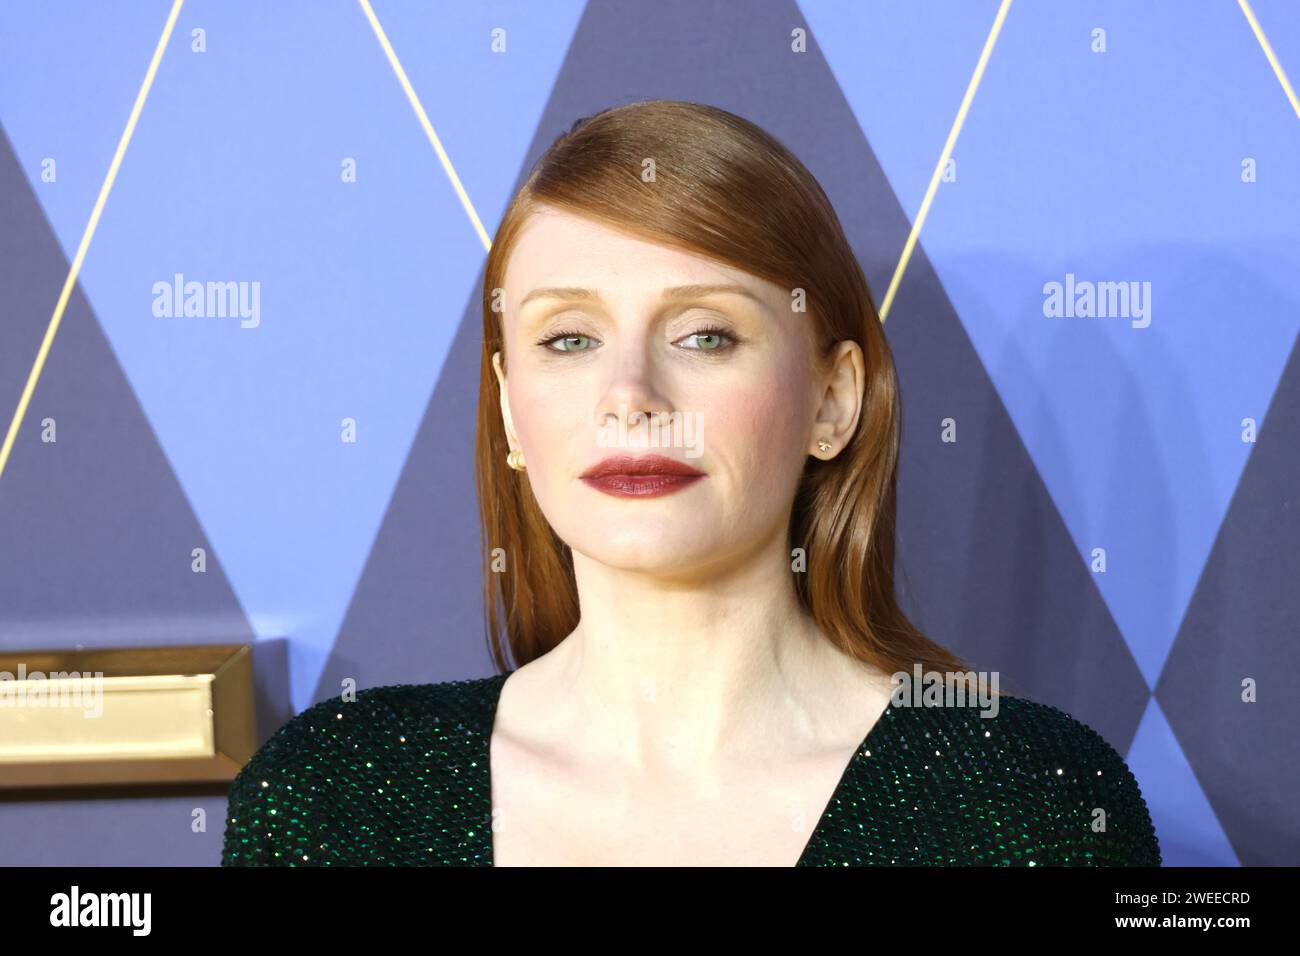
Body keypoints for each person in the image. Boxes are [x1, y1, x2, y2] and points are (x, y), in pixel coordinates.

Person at [222, 100, 1161, 867]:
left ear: (834, 401)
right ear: (511, 412)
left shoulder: (1027, 806)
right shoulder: (334, 800)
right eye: (569, 339)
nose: (631, 397)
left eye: (706, 334)